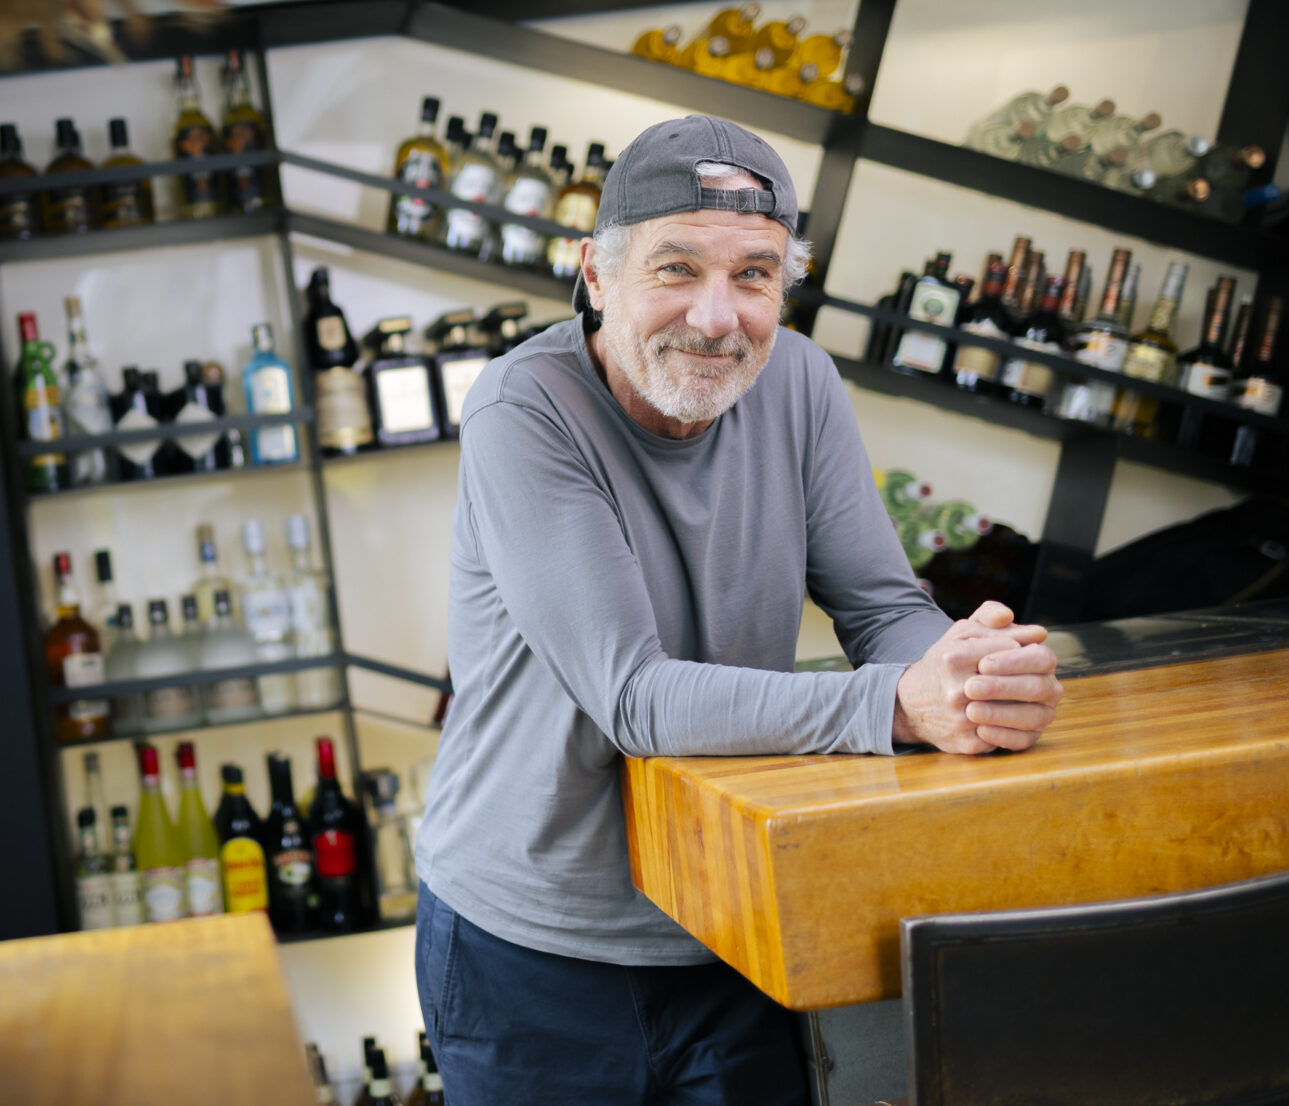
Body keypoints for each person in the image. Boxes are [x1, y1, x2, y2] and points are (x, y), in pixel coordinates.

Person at [411, 115, 1064, 1104]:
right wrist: (896, 705)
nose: (717, 317)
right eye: (675, 267)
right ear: (595, 270)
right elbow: (630, 695)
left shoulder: (797, 380)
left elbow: (882, 606)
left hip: (733, 920)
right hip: (529, 950)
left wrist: (965, 675)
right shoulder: (523, 407)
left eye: (753, 275)